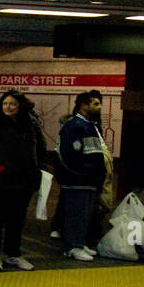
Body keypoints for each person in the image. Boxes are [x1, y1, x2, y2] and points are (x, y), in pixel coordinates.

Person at [0, 90, 48, 271]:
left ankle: (13, 253)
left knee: (17, 220)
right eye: (5, 104)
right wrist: (0, 169)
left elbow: (41, 148)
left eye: (12, 104)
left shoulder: (30, 125)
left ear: (20, 106)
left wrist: (34, 170)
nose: (8, 107)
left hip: (24, 182)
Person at [55, 91, 106, 262]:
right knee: (76, 214)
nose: (99, 107)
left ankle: (79, 242)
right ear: (84, 105)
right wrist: (85, 172)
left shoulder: (89, 125)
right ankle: (72, 247)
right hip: (78, 180)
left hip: (89, 180)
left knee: (85, 214)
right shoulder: (74, 126)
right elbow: (69, 154)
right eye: (96, 104)